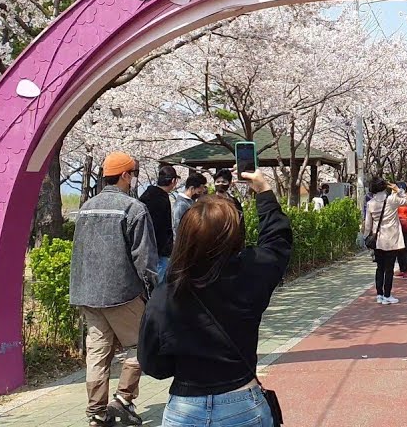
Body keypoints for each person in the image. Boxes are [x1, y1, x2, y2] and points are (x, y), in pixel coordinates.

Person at [139, 170, 289, 427]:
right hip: (242, 402)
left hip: (185, 408)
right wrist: (263, 191)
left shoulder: (167, 292)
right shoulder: (250, 273)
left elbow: (152, 362)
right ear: (234, 236)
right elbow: (277, 242)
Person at [70, 152, 158, 426]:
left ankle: (96, 412)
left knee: (97, 353)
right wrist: (153, 292)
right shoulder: (133, 208)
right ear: (124, 175)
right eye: (133, 172)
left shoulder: (86, 207)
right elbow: (145, 258)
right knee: (139, 346)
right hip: (123, 293)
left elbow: (79, 252)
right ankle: (123, 399)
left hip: (89, 294)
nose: (133, 178)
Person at [363, 177, 407, 304]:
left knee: (380, 268)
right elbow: (406, 202)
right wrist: (398, 190)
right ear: (384, 187)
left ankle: (379, 295)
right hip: (392, 238)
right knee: (389, 268)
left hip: (378, 239)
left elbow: (368, 225)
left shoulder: (370, 203)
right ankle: (387, 295)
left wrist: (367, 236)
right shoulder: (391, 200)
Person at [140, 164, 180, 283]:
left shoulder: (145, 195)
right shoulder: (162, 199)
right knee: (158, 287)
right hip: (159, 252)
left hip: (143, 250)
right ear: (173, 181)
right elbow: (163, 228)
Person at [173, 171, 208, 236]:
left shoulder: (191, 202)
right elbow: (178, 229)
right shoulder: (181, 205)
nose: (202, 192)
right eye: (200, 191)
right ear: (192, 188)